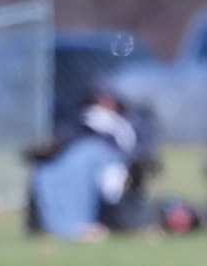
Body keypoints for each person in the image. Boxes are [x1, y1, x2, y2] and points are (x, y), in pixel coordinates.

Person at [27, 88, 140, 242]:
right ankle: (66, 226)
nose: (104, 105)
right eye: (99, 100)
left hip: (103, 163)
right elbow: (60, 142)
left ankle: (77, 224)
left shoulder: (126, 125)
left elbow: (129, 152)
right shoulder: (79, 121)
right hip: (70, 163)